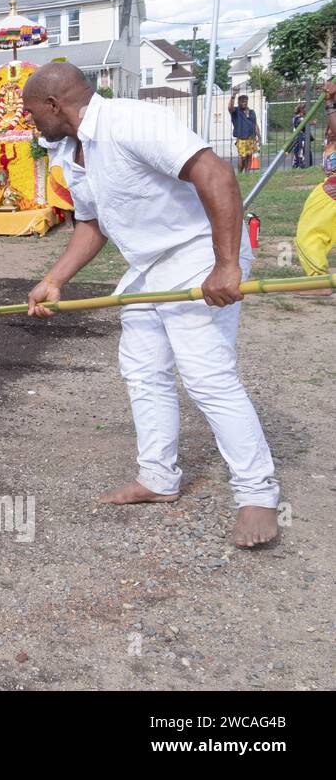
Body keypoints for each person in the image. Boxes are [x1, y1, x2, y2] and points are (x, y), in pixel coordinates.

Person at [22, 61, 288, 549]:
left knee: (207, 375)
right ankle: (158, 478)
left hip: (198, 252)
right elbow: (93, 223)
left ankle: (257, 494)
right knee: (143, 369)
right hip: (148, 265)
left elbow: (215, 173)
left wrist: (226, 264)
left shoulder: (131, 121)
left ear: (55, 105)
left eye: (32, 111)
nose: (30, 121)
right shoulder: (70, 150)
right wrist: (54, 279)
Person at [296, 109, 336, 280]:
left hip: (331, 192)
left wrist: (329, 104)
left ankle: (317, 278)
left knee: (308, 235)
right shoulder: (329, 144)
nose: (329, 131)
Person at [228, 91, 259, 173]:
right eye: (242, 101)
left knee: (249, 156)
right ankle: (240, 173)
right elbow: (230, 108)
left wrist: (259, 136)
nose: (244, 103)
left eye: (245, 101)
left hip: (251, 138)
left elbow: (255, 124)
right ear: (238, 102)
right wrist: (233, 95)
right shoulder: (236, 111)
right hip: (241, 139)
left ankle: (247, 173)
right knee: (243, 157)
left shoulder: (252, 112)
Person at [291, 104, 313, 169]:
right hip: (300, 138)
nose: (306, 110)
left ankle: (305, 164)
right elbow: (301, 124)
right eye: (305, 109)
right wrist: (311, 123)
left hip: (303, 138)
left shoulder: (301, 118)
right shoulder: (297, 118)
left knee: (305, 150)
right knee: (301, 151)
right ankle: (301, 165)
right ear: (301, 110)